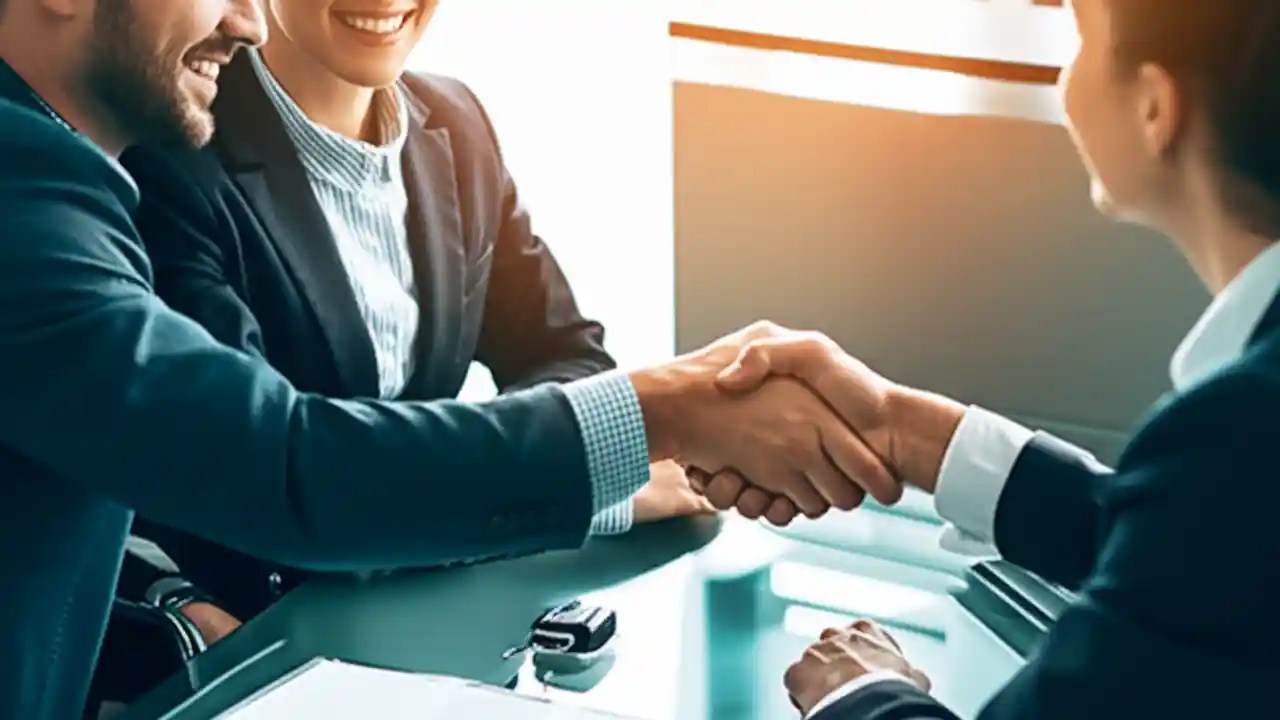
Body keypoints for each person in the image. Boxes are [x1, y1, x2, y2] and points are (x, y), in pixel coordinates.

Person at [0, 0, 896, 716]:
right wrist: (662, 409)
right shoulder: (42, 191)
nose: (248, 19)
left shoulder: (60, 169)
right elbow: (281, 465)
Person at [697, 0, 1280, 717]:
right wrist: (900, 430)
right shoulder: (1238, 459)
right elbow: (1209, 565)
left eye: (1078, 35)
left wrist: (860, 691)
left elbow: (1208, 530)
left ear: (1156, 109)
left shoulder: (1238, 435)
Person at [108, 0, 708, 659]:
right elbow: (281, 468)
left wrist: (505, 493)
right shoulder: (175, 155)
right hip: (265, 635)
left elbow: (565, 356)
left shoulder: (455, 122)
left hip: (432, 619)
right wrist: (576, 488)